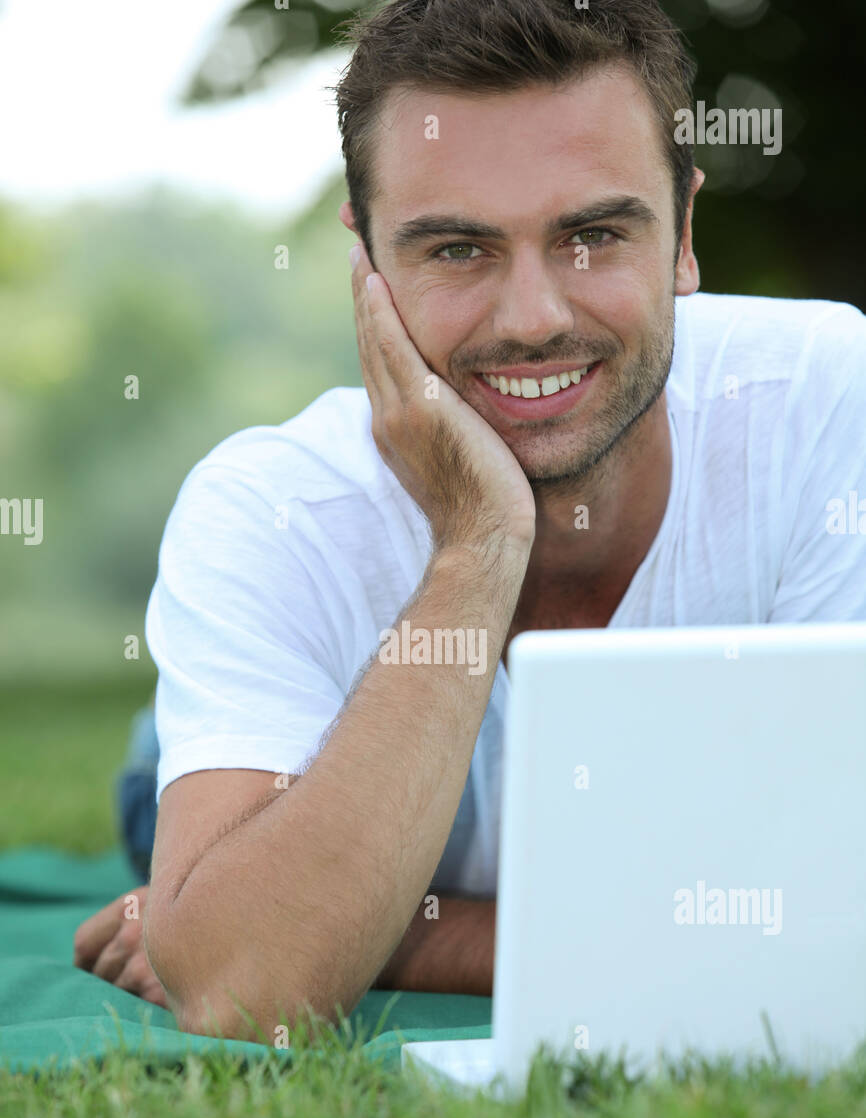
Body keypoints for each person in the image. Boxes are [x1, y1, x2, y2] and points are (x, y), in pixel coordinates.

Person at [74, 0, 866, 1040]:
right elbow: (241, 986)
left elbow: (825, 908)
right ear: (365, 263)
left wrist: (375, 932)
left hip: (414, 852)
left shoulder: (827, 405)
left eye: (591, 235)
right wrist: (478, 543)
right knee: (171, 805)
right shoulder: (264, 507)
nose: (533, 318)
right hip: (296, 737)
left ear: (680, 236)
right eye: (455, 249)